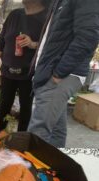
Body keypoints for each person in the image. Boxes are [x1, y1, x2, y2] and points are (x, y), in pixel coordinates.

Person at [27, 0, 99, 147]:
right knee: (57, 129)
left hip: (62, 75)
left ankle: (29, 169)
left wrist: (58, 73)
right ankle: (56, 164)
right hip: (52, 72)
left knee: (38, 130)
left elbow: (88, 37)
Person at [0, 0, 49, 132]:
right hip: (8, 71)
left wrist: (33, 44)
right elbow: (0, 43)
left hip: (29, 73)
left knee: (26, 108)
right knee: (4, 106)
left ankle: (21, 139)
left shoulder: (47, 17)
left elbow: (50, 47)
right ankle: (0, 135)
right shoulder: (14, 15)